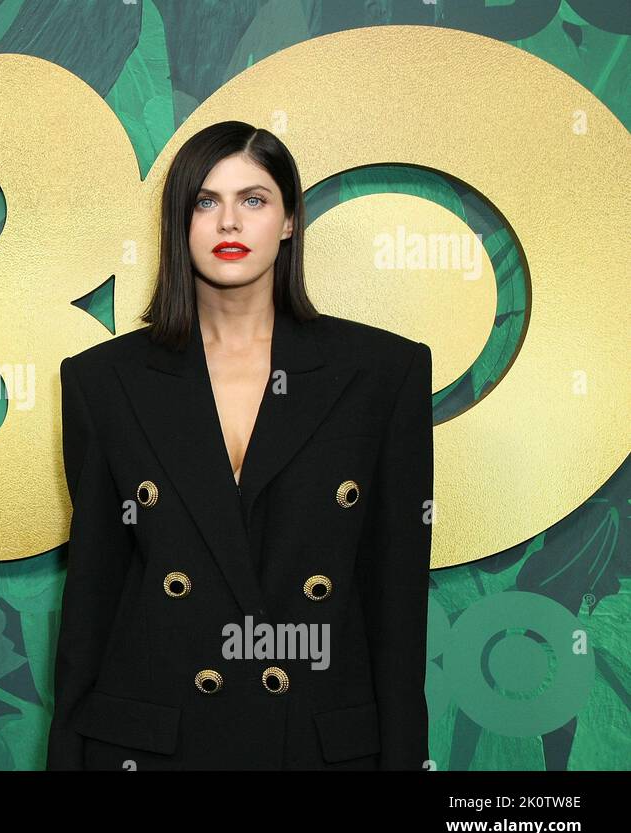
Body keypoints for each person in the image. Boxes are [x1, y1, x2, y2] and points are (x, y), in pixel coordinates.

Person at [46, 120, 434, 770]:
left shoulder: (383, 374)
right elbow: (93, 595)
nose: (230, 222)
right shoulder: (102, 382)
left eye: (254, 200)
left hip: (314, 740)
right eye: (206, 201)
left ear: (287, 221)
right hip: (150, 738)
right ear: (179, 223)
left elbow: (396, 606)